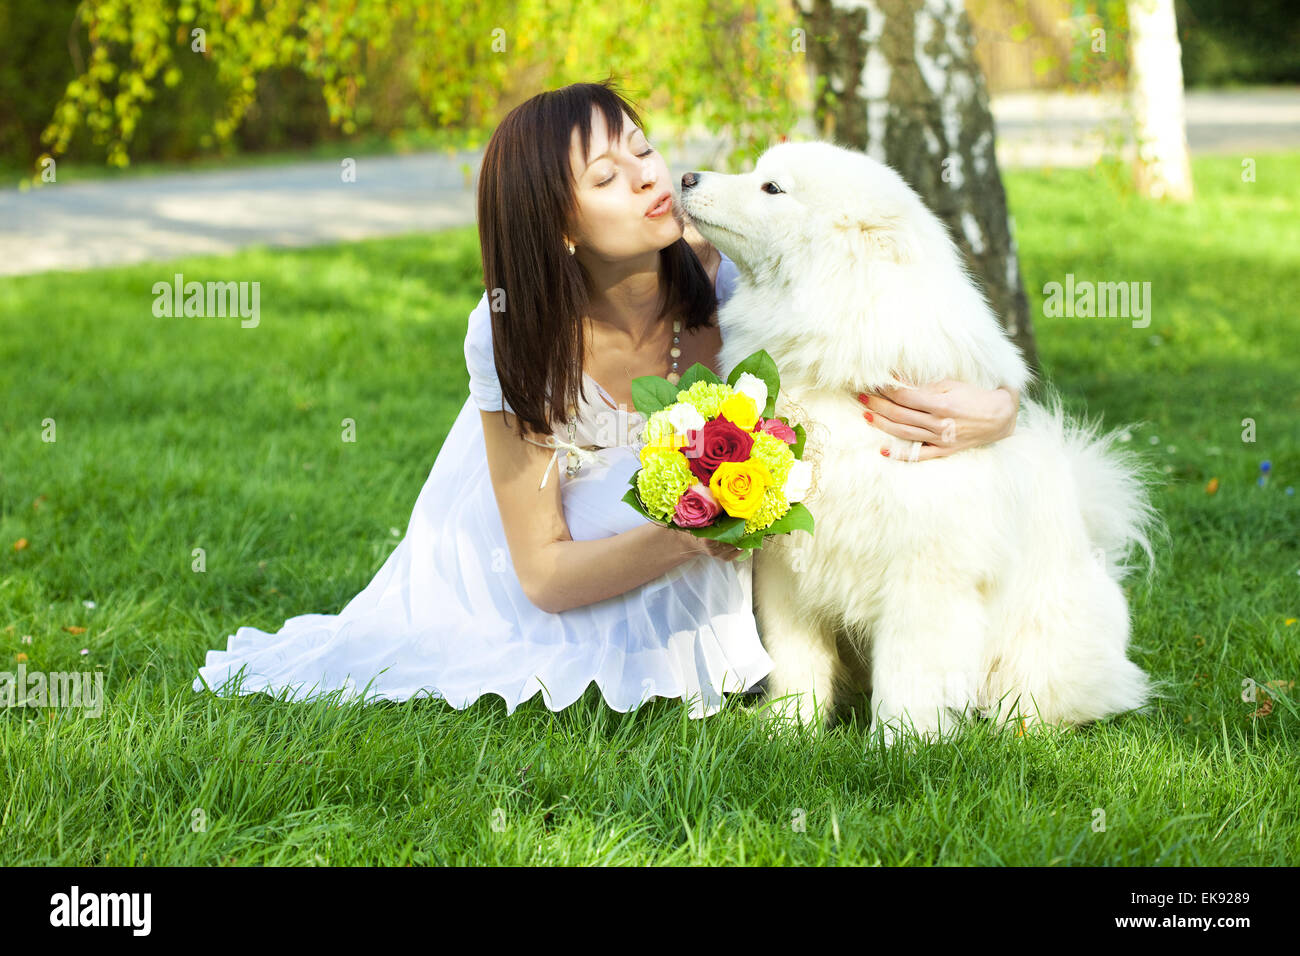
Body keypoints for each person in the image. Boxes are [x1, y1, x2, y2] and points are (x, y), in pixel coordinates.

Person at [192, 79, 1020, 719]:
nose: (648, 178)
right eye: (607, 174)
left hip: (695, 547)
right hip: (574, 556)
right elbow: (545, 574)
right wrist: (694, 532)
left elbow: (875, 343)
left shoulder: (731, 267)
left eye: (643, 150)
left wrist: (997, 408)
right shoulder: (511, 331)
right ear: (560, 225)